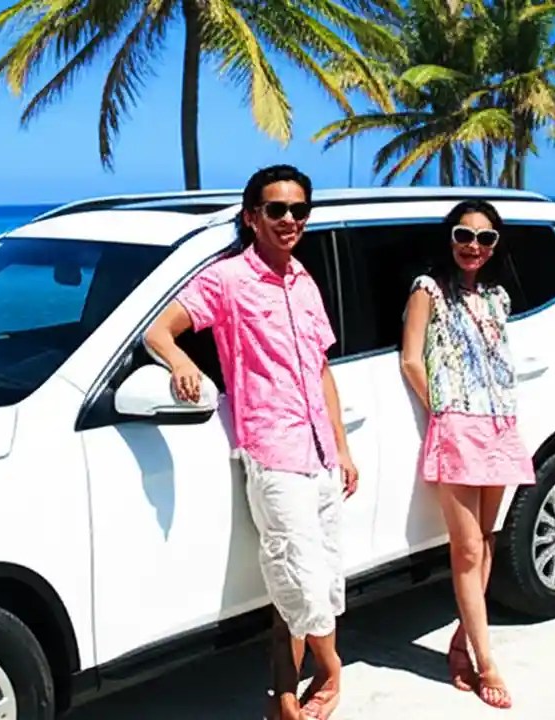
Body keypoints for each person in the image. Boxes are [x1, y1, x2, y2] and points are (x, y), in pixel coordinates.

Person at [144, 164, 358, 720]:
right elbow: (158, 329)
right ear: (252, 216)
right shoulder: (227, 279)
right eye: (276, 209)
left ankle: (285, 697)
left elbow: (322, 370)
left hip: (320, 453)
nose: (289, 220)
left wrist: (343, 447)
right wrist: (182, 361)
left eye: (298, 210)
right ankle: (334, 673)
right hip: (272, 449)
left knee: (321, 575)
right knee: (299, 578)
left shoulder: (305, 281)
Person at [399, 199, 536, 710]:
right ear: (449, 238)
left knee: (487, 539)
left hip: (499, 425)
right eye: (464, 235)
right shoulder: (428, 290)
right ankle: (487, 660)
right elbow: (411, 358)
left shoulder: (498, 297)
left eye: (485, 238)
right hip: (457, 425)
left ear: (496, 245)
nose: (473, 246)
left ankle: (461, 643)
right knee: (468, 549)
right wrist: (445, 408)